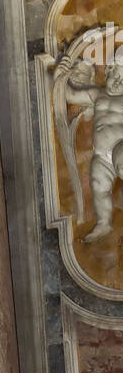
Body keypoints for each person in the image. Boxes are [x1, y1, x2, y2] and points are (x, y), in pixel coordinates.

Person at [58, 49, 123, 241]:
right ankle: (104, 222)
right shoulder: (97, 94)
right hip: (102, 155)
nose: (119, 82)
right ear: (108, 72)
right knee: (98, 185)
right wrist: (60, 75)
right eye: (116, 76)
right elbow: (70, 95)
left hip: (120, 147)